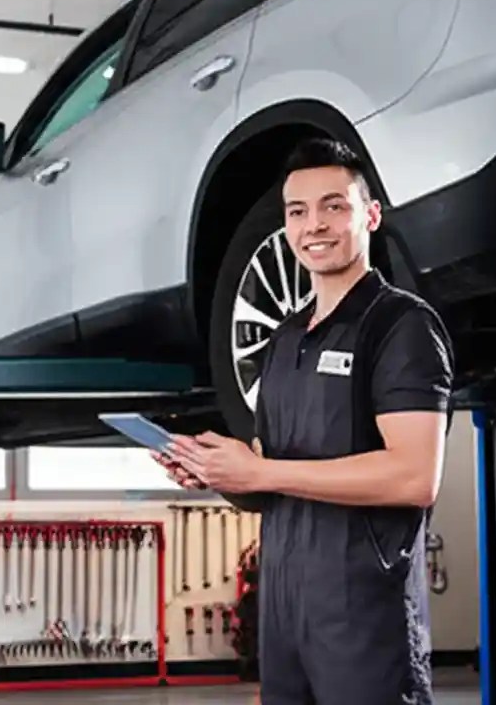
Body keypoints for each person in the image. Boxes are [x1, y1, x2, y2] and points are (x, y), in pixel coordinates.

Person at [154, 138, 454, 704]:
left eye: (334, 206)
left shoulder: (401, 326)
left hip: (365, 618)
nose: (314, 225)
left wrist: (264, 474)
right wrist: (221, 472)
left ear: (370, 215)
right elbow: (271, 477)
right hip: (287, 615)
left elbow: (414, 478)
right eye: (298, 212)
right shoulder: (285, 339)